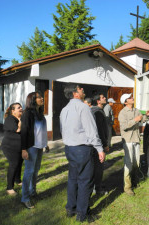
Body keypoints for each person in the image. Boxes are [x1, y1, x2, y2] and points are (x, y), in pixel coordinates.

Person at [60, 83, 105, 222]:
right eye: (80, 88)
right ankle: (82, 214)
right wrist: (99, 148)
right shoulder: (83, 107)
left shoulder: (64, 109)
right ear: (75, 93)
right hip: (82, 149)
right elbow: (91, 131)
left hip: (69, 148)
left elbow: (62, 130)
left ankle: (70, 208)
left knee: (73, 179)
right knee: (85, 181)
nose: (83, 90)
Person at [118, 93, 149, 196]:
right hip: (128, 140)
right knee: (128, 163)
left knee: (136, 162)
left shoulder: (136, 110)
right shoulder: (122, 113)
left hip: (136, 139)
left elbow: (142, 120)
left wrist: (146, 116)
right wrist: (135, 120)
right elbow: (124, 126)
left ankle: (135, 181)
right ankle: (127, 187)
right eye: (130, 98)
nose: (132, 98)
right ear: (125, 102)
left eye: (132, 97)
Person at [21, 92, 49, 209]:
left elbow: (42, 130)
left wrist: (45, 144)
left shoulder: (40, 113)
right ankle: (25, 198)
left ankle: (33, 192)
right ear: (32, 100)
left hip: (40, 146)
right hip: (31, 147)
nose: (42, 98)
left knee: (36, 171)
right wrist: (23, 149)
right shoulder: (27, 114)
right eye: (39, 97)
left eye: (41, 97)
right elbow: (24, 132)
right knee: (29, 172)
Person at [1, 102, 23, 195]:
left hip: (19, 146)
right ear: (13, 111)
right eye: (19, 107)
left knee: (19, 163)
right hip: (9, 147)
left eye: (21, 107)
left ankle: (18, 180)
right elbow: (18, 130)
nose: (21, 108)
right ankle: (9, 188)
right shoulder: (10, 119)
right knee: (14, 164)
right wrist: (20, 121)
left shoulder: (18, 118)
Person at [91, 94, 109, 195]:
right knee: (98, 167)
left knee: (97, 166)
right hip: (98, 144)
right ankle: (97, 188)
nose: (105, 98)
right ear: (98, 101)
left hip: (95, 143)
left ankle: (97, 184)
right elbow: (100, 131)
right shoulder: (97, 112)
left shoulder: (95, 110)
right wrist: (105, 144)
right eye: (103, 98)